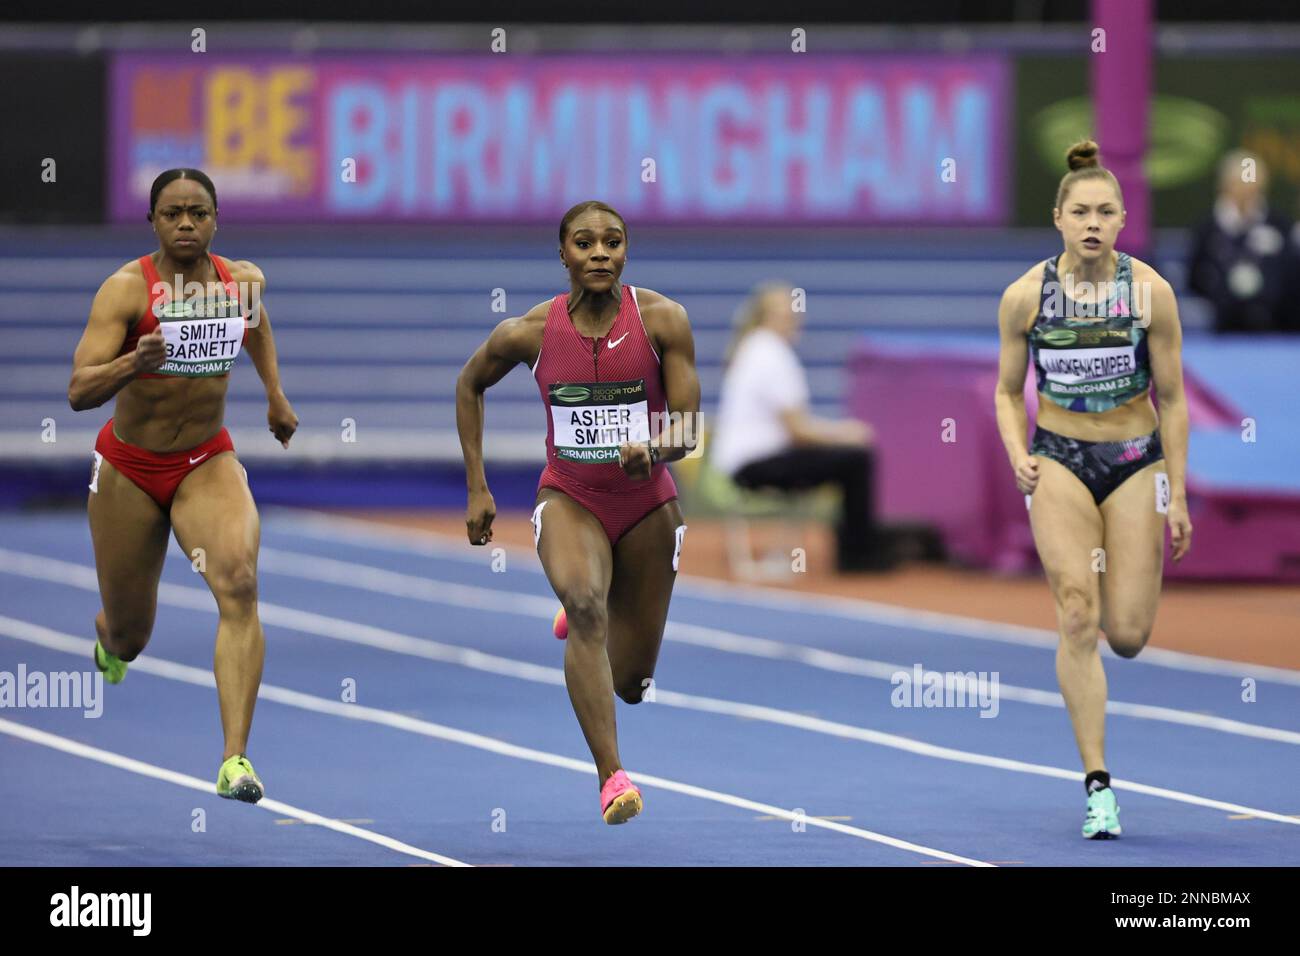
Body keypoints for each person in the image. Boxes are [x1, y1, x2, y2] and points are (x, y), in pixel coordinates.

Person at [456, 201, 700, 825]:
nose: (599, 254)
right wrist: (478, 487)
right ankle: (612, 776)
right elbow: (470, 384)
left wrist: (658, 449)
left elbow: (691, 427)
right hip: (569, 498)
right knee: (589, 604)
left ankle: (585, 604)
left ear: (626, 253)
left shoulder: (663, 321)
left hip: (648, 506)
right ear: (562, 254)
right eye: (585, 244)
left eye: (612, 243)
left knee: (631, 683)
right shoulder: (530, 332)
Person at [68, 168, 298, 803]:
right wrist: (130, 363)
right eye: (173, 214)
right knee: (132, 635)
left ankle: (234, 760)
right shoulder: (124, 292)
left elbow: (258, 328)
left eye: (199, 213)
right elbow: (79, 390)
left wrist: (275, 396)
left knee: (240, 583)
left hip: (205, 461)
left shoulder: (240, 281)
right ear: (154, 223)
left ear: (217, 219)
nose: (187, 224)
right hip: (130, 469)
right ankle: (110, 635)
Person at [994, 140, 1193, 839]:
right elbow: (1002, 390)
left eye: (1105, 211)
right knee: (1078, 614)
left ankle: (1120, 582)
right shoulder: (1026, 296)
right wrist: (1019, 450)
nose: (1092, 222)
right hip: (1059, 460)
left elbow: (1172, 397)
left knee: (1130, 634)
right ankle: (1098, 785)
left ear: (1121, 219)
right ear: (1058, 218)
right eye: (1080, 210)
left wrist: (1180, 490)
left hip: (1136, 461)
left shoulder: (1150, 294)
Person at [710, 281, 888, 572]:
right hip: (756, 464)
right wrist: (846, 434)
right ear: (768, 316)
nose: (794, 320)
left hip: (745, 461)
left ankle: (855, 546)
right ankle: (858, 555)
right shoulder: (770, 353)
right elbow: (799, 432)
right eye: (786, 314)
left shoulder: (754, 348)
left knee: (848, 458)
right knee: (857, 458)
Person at [1187, 149, 1298, 333]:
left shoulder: (1279, 224)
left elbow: (1292, 275)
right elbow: (1195, 277)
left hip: (1276, 328)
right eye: (1239, 184)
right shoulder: (1207, 229)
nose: (1247, 191)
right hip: (1225, 326)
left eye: (1253, 186)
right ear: (1225, 186)